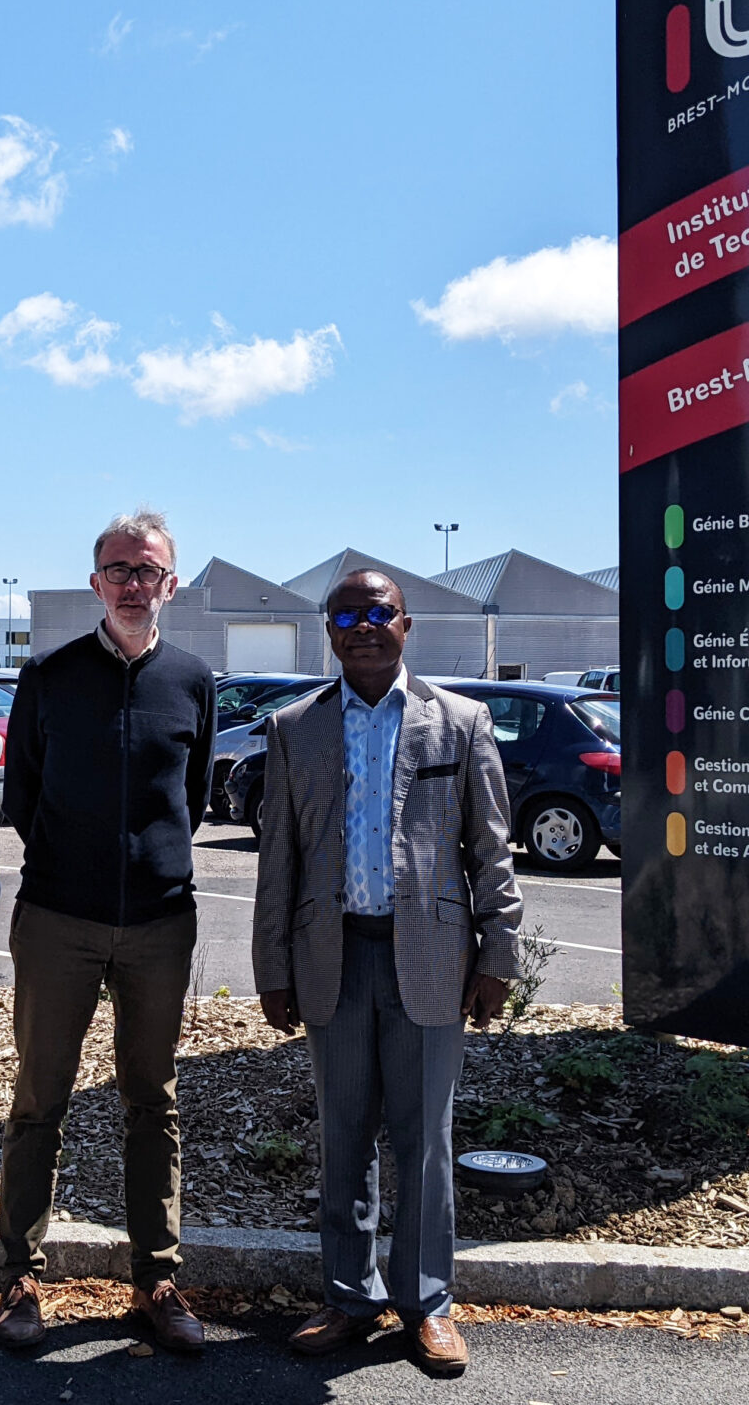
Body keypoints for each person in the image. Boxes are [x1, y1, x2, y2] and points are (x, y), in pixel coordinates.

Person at [252, 569, 522, 1378]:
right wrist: (272, 965)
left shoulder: (461, 722)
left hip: (432, 961)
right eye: (347, 614)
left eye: (379, 612)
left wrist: (499, 955)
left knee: (425, 1141)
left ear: (408, 625)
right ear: (328, 629)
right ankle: (348, 1295)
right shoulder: (294, 727)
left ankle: (428, 1303)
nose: (363, 625)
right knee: (344, 1136)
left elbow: (492, 851)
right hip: (332, 957)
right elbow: (279, 862)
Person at [0, 508, 217, 1356]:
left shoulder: (194, 679)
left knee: (152, 1103)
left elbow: (188, 800)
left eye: (147, 569)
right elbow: (22, 796)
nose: (132, 583)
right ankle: (19, 1273)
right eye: (118, 569)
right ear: (96, 583)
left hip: (161, 923)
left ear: (171, 583)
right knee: (38, 1098)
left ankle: (156, 1276)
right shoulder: (48, 675)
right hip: (58, 919)